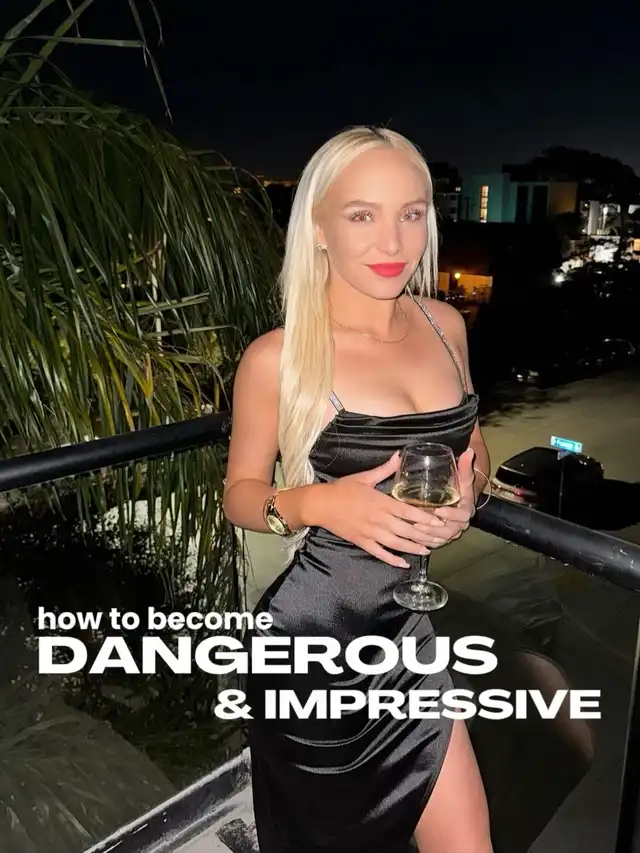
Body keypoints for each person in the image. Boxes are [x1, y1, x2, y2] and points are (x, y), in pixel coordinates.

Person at [223, 126, 493, 853]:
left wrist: (468, 493)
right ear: (318, 227)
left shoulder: (446, 325)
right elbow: (240, 494)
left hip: (410, 636)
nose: (392, 240)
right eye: (361, 214)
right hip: (312, 642)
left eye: (411, 212)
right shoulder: (279, 356)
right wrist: (316, 502)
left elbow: (472, 445)